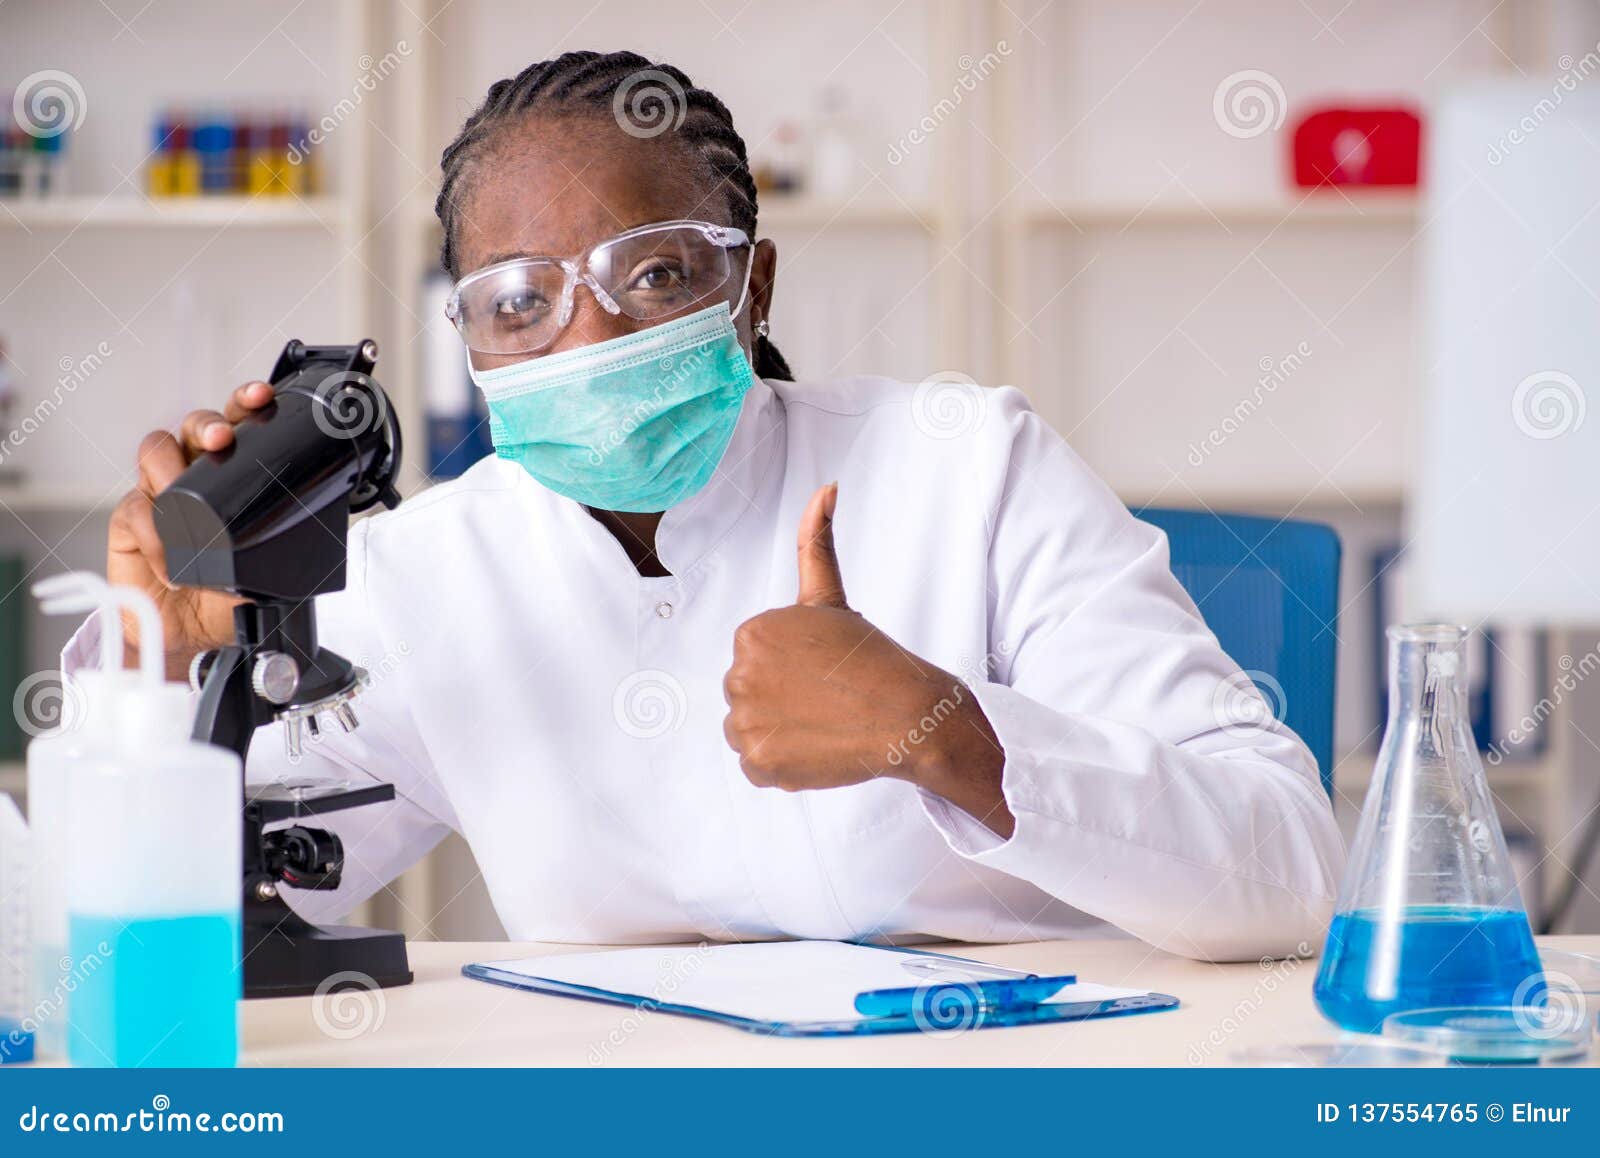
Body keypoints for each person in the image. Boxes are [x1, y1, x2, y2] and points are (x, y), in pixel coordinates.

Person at [86, 51, 1340, 962]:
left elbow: (1291, 871)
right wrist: (165, 667)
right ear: (462, 335)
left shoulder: (968, 467)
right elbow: (186, 920)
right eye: (519, 301)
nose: (589, 333)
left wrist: (950, 735)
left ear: (753, 287)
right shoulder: (421, 574)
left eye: (656, 273)